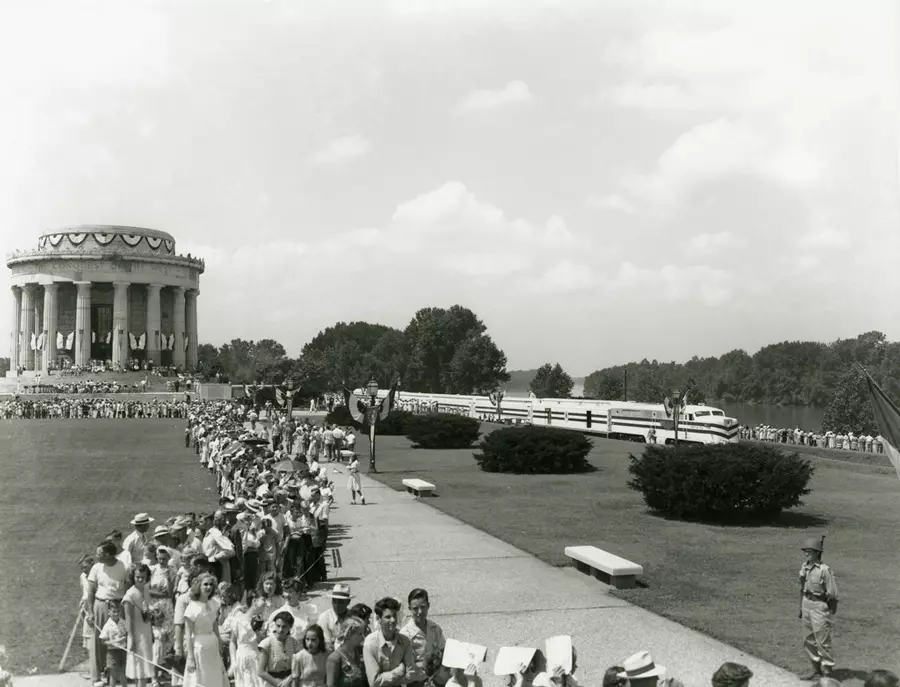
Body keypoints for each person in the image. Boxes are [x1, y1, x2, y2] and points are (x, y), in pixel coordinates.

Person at [799, 537, 838, 679]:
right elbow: (801, 587)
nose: (806, 554)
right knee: (808, 638)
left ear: (817, 552)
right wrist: (801, 607)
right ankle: (816, 670)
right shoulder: (805, 567)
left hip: (819, 606)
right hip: (806, 602)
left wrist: (829, 608)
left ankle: (827, 672)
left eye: (809, 551)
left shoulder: (824, 570)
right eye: (805, 551)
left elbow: (832, 593)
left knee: (822, 640)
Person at [183, 572, 229, 687]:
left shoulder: (214, 604)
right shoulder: (192, 608)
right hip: (199, 646)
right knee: (201, 678)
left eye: (211, 584)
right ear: (199, 585)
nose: (208, 587)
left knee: (214, 677)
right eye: (205, 584)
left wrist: (219, 642)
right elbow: (188, 634)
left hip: (212, 645)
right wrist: (190, 657)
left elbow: (214, 625)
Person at [362, 596, 418, 687]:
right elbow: (374, 682)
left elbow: (411, 674)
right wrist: (399, 671)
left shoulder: (404, 641)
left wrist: (385, 680)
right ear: (378, 619)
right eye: (388, 617)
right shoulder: (370, 643)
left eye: (394, 616)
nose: (393, 620)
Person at [401, 588, 447, 687]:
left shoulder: (435, 628)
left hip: (438, 678)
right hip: (418, 681)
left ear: (428, 606)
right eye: (415, 608)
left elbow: (443, 651)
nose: (420, 611)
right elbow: (408, 666)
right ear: (409, 608)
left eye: (423, 607)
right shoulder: (405, 635)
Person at [123, 563, 154, 687]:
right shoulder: (130, 595)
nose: (140, 579)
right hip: (136, 633)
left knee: (145, 667)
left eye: (143, 577)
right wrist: (130, 638)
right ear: (133, 577)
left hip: (146, 631)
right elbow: (128, 618)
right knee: (139, 667)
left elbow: (148, 611)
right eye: (138, 577)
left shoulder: (146, 590)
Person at [257, 611, 301, 686]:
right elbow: (261, 671)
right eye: (278, 626)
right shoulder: (266, 643)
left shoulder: (294, 642)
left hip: (291, 682)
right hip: (272, 683)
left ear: (290, 627)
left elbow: (300, 665)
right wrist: (279, 684)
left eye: (284, 626)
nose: (280, 629)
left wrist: (289, 679)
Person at [324, 616, 368, 687]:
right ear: (349, 634)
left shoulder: (360, 653)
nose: (363, 637)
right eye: (360, 634)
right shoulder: (334, 659)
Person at [98, 601, 128, 687]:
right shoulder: (107, 625)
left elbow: (127, 634)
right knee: (113, 674)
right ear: (109, 612)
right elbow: (103, 641)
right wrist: (113, 642)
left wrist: (124, 638)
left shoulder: (123, 622)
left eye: (118, 611)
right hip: (112, 652)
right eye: (114, 611)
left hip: (122, 651)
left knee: (122, 673)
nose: (116, 614)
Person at [318, 584, 353, 652]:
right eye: (334, 601)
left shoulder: (353, 617)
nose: (336, 605)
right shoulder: (324, 618)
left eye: (341, 602)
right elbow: (327, 644)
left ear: (348, 602)